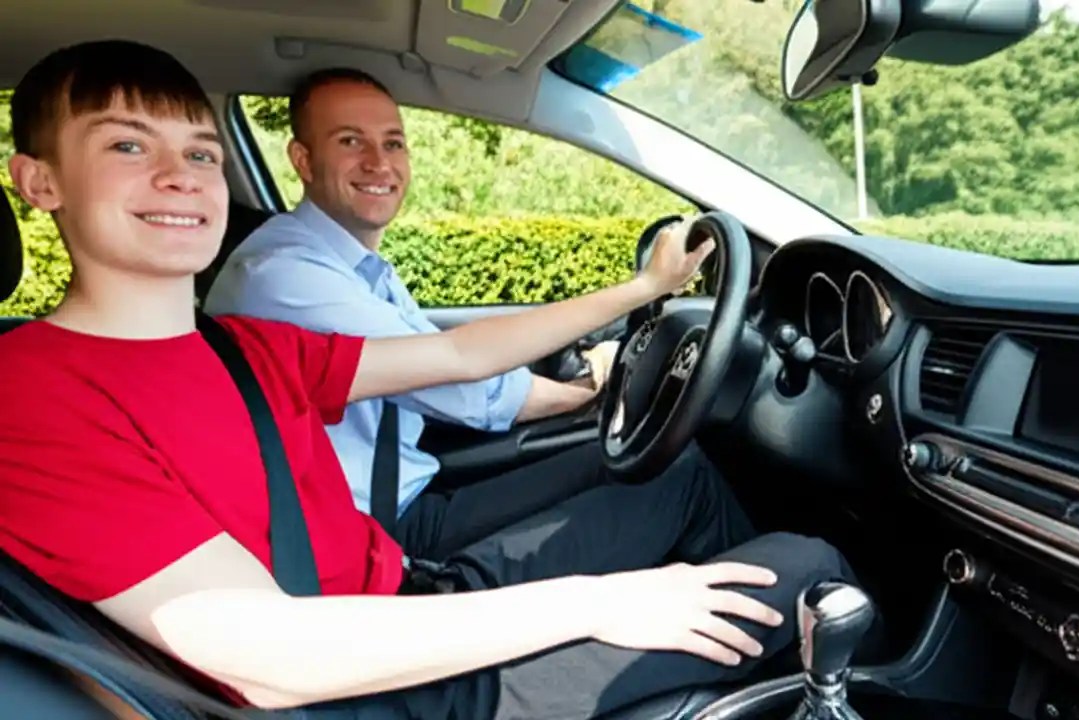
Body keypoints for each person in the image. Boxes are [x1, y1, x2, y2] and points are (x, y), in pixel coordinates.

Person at [0, 39, 863, 720]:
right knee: (812, 568)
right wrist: (600, 605)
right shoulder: (30, 391)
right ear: (39, 181)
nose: (180, 178)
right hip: (367, 691)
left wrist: (643, 289)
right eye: (125, 145)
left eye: (198, 153)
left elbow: (459, 358)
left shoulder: (237, 347)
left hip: (405, 591)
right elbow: (269, 658)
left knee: (680, 488)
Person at [201, 68, 744, 570]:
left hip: (402, 489)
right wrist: (589, 382)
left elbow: (447, 363)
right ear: (302, 159)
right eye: (350, 142)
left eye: (393, 142)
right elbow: (459, 379)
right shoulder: (283, 275)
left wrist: (588, 387)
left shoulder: (348, 263)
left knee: (628, 461)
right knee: (683, 478)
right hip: (380, 535)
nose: (379, 161)